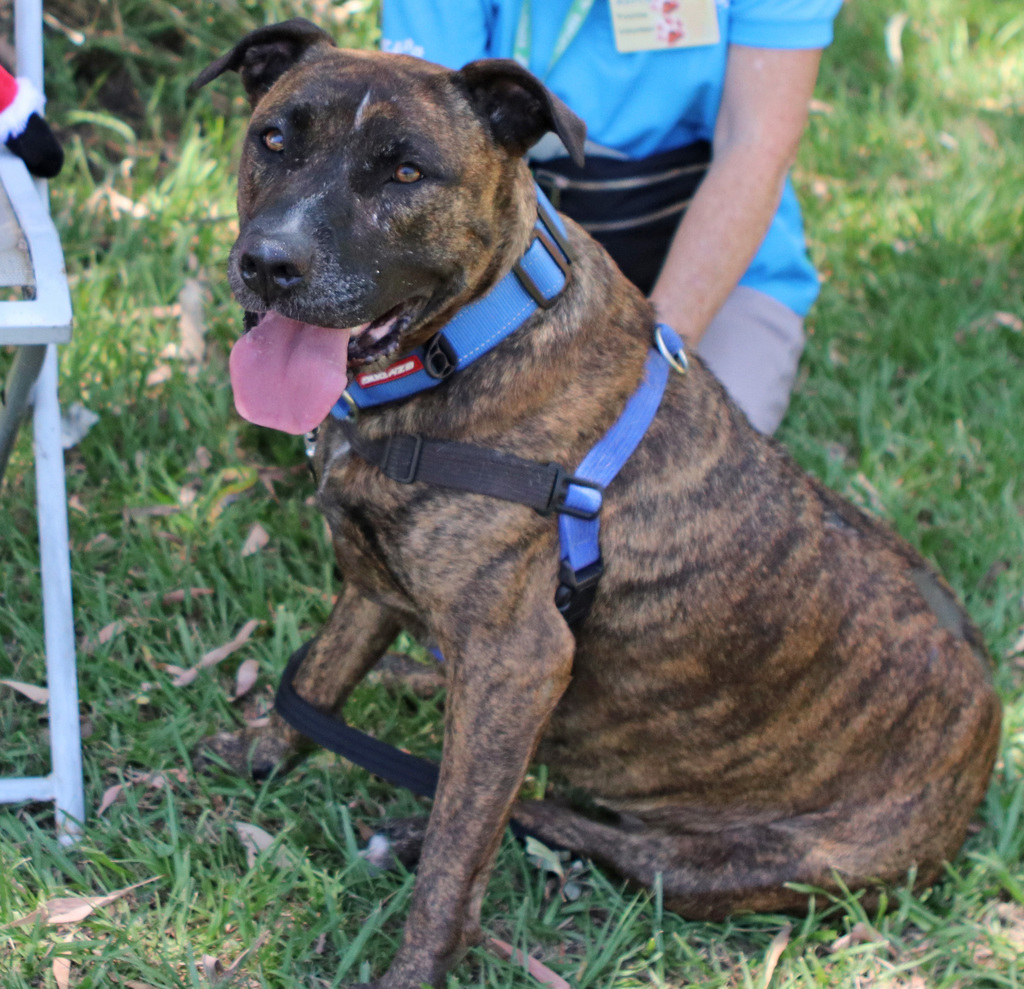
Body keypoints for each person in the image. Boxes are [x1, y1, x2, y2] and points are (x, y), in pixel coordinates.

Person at [380, 0, 844, 434]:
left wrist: (658, 357)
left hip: (717, 266)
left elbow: (756, 146)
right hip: (509, 259)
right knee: (437, 452)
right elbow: (431, 139)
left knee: (692, 453)